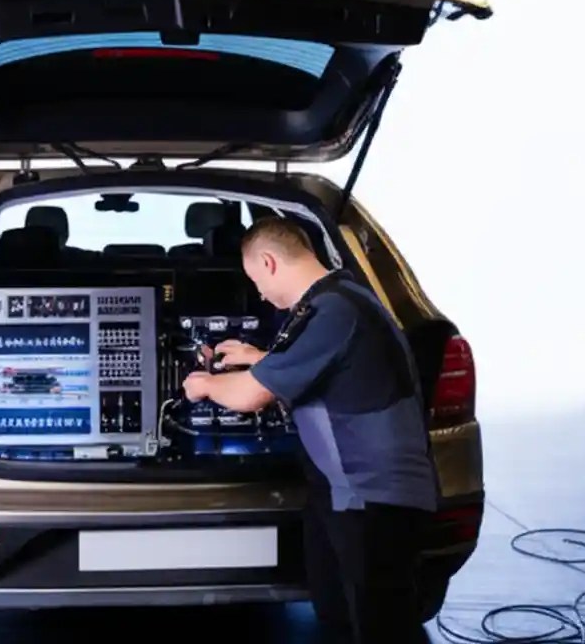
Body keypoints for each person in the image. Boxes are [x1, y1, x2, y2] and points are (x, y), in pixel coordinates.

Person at [181, 217, 437, 644]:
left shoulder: (336, 310)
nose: (259, 294)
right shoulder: (333, 301)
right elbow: (322, 364)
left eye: (255, 280)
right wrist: (257, 354)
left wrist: (203, 384)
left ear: (268, 262)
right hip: (340, 492)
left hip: (374, 498)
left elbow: (250, 396)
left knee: (380, 625)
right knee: (335, 611)